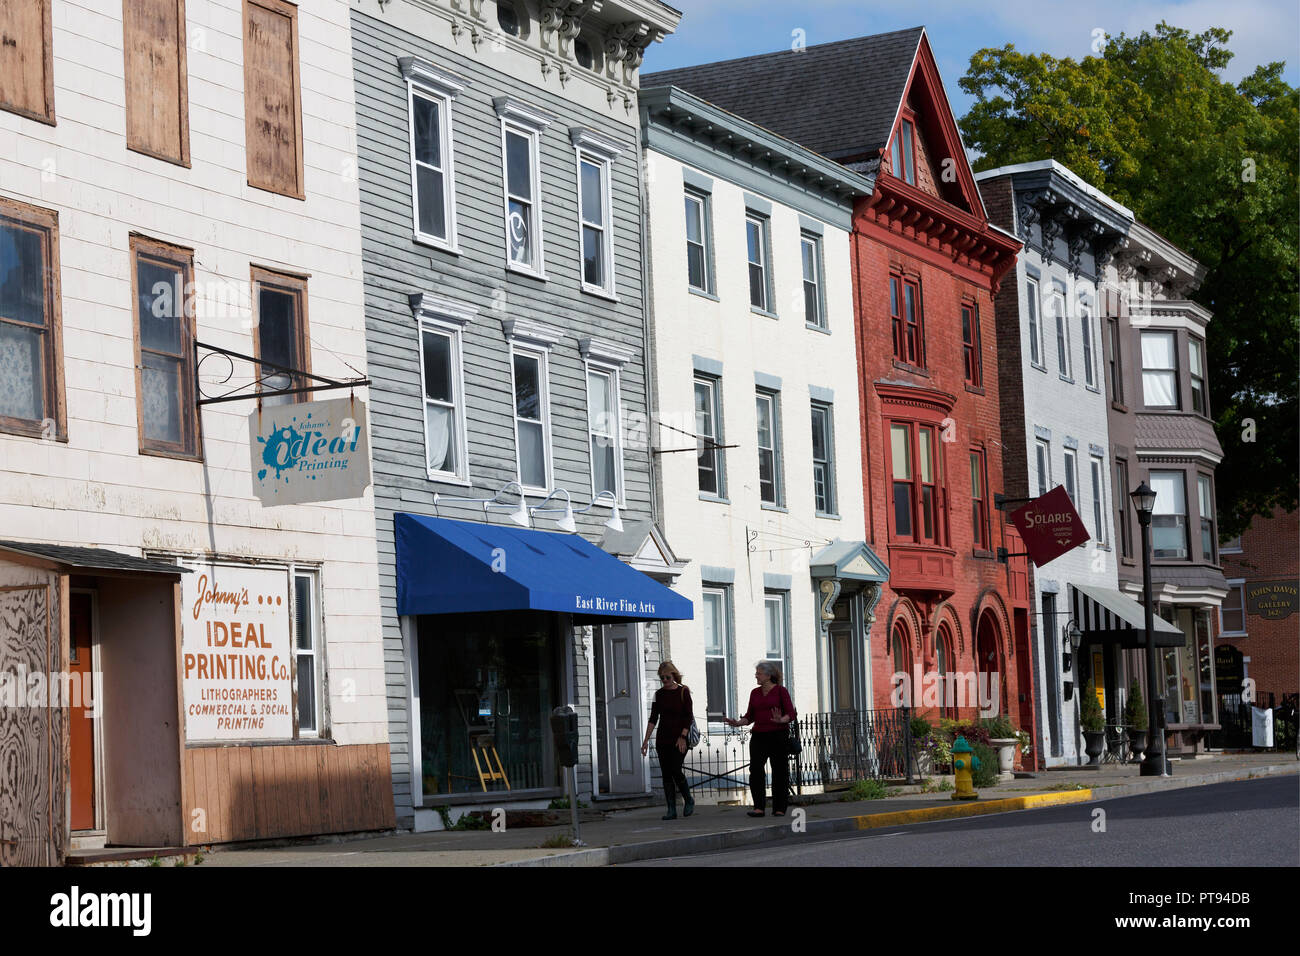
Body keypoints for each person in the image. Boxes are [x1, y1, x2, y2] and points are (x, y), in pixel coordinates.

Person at [725, 661, 795, 817]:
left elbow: (791, 713)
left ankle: (779, 808)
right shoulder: (754, 693)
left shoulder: (780, 691)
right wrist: (737, 723)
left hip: (778, 735)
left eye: (759, 673)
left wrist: (781, 720)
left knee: (779, 771)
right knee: (755, 770)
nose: (756, 676)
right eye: (756, 673)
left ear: (768, 675)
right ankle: (759, 807)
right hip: (759, 735)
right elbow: (750, 716)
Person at [641, 661, 694, 820]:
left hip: (679, 738)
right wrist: (646, 740)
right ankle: (671, 808)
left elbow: (688, 716)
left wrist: (683, 736)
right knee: (666, 773)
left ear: (674, 676)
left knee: (675, 769)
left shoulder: (683, 691)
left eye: (667, 677)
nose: (665, 680)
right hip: (663, 739)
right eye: (662, 678)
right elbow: (653, 719)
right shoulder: (659, 694)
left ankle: (688, 799)